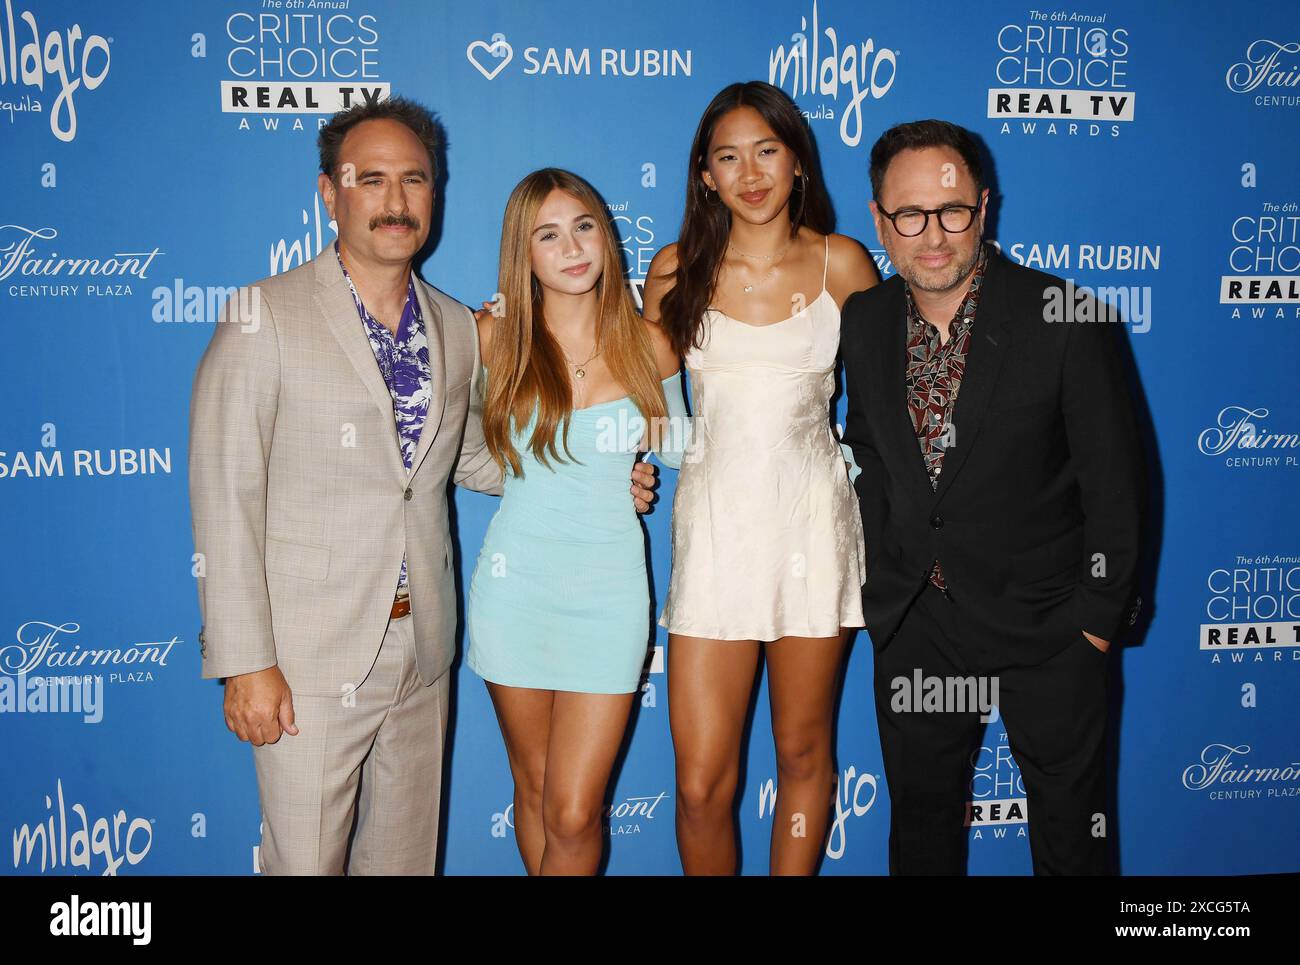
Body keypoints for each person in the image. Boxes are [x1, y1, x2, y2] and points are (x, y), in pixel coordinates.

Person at [188, 98, 657, 875]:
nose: (396, 200)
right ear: (328, 193)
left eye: (415, 179)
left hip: (424, 648)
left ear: (435, 196)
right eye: (370, 180)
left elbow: (475, 459)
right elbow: (222, 493)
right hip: (306, 658)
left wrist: (601, 473)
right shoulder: (262, 315)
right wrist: (245, 660)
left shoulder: (457, 325)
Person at [840, 119, 1145, 875]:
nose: (932, 235)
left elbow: (1120, 486)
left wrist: (1094, 631)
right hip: (920, 628)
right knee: (922, 838)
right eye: (909, 215)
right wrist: (891, 600)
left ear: (985, 206)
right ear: (879, 220)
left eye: (952, 212)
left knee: (1073, 844)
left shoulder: (1067, 317)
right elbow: (873, 457)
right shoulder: (866, 320)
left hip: (1051, 631)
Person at [643, 80, 879, 875]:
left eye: (767, 150)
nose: (750, 172)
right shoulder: (675, 270)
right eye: (728, 156)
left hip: (813, 524)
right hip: (713, 536)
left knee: (804, 752)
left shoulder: (843, 263)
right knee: (702, 782)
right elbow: (637, 397)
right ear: (704, 174)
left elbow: (892, 408)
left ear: (797, 162)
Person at [467, 168, 686, 875]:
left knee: (572, 809)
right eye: (549, 234)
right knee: (531, 789)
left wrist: (632, 472)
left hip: (609, 597)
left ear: (607, 234)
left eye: (585, 226)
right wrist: (555, 471)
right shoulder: (491, 337)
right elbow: (445, 451)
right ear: (521, 254)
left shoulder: (651, 346)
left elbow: (686, 444)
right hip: (514, 590)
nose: (572, 247)